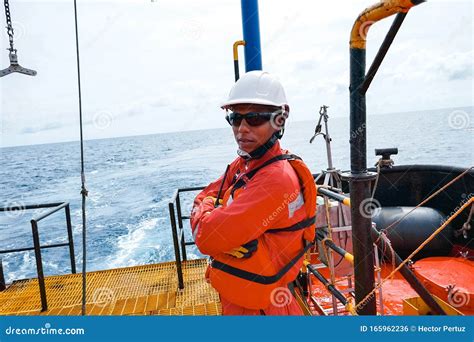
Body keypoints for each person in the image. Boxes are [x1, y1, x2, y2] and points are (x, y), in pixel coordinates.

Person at [190, 70, 317, 315]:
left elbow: (205, 237)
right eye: (235, 119)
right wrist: (208, 207)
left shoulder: (275, 179)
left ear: (279, 120)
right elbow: (206, 194)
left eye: (255, 118)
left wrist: (209, 210)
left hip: (263, 309)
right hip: (245, 299)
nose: (242, 129)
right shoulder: (249, 163)